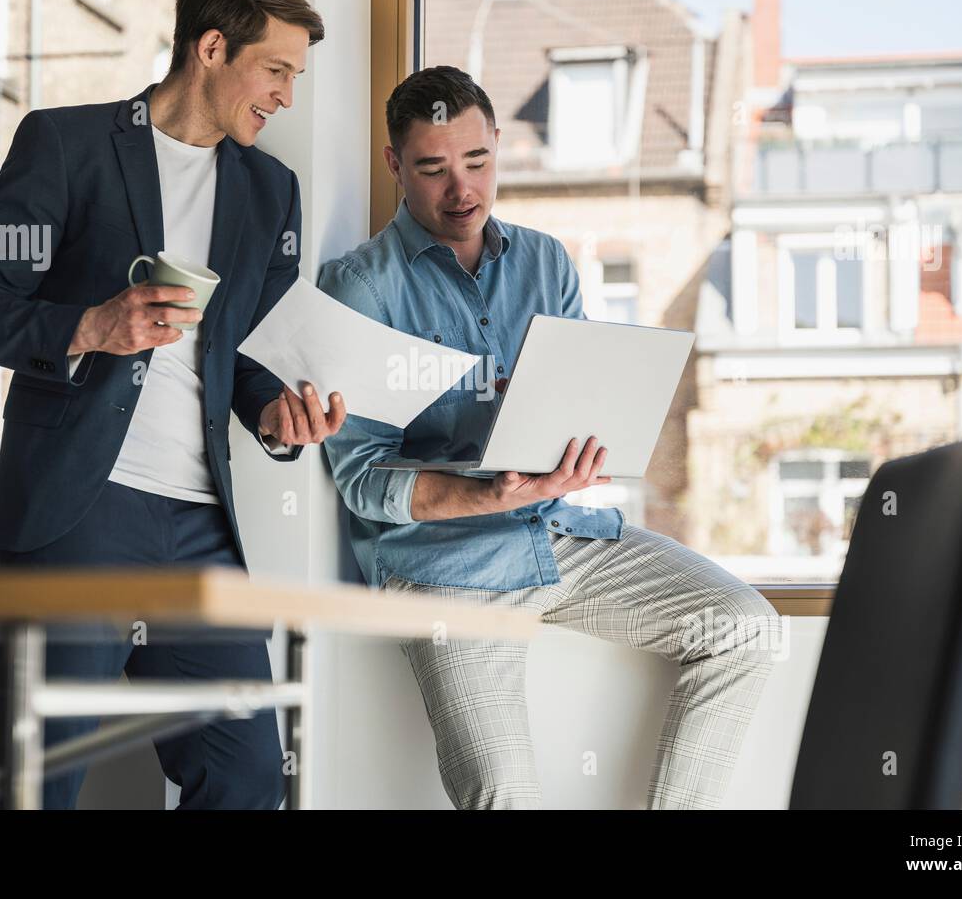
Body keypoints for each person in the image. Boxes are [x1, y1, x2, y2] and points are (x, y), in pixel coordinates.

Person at [317, 65, 782, 809]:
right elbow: (362, 478)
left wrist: (579, 440)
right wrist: (479, 489)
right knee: (504, 794)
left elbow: (581, 395)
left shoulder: (545, 261)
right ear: (394, 165)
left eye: (477, 161)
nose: (461, 189)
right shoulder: (361, 287)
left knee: (746, 629)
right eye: (433, 169)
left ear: (499, 145)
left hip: (552, 528)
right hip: (446, 569)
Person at [0, 0, 345, 809]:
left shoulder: (272, 191)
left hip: (201, 528)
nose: (287, 98)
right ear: (210, 48)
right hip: (79, 509)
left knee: (244, 778)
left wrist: (280, 413)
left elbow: (251, 353)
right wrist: (91, 326)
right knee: (39, 780)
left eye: (297, 78)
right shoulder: (65, 143)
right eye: (277, 71)